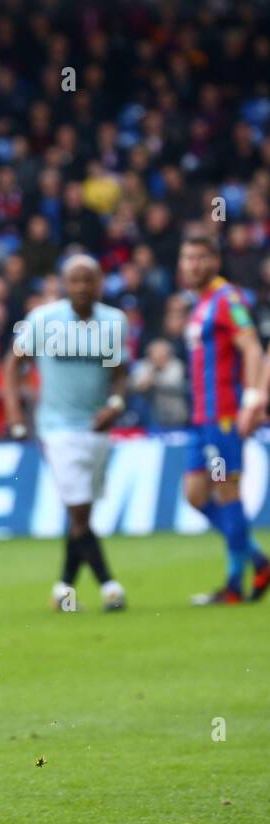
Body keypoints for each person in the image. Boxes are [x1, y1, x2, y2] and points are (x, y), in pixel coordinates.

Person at [3, 255, 129, 611]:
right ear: (63, 283)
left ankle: (64, 592)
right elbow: (12, 366)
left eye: (89, 280)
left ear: (100, 283)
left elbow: (120, 372)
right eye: (75, 280)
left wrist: (116, 404)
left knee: (81, 517)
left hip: (98, 429)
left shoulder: (114, 321)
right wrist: (15, 414)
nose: (82, 287)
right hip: (57, 429)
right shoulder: (43, 320)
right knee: (78, 511)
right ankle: (110, 587)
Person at [176, 236, 269, 605]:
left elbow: (252, 348)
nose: (193, 264)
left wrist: (251, 401)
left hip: (224, 415)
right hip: (202, 419)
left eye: (200, 257)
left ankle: (233, 585)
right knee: (195, 495)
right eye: (187, 258)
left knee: (226, 490)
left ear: (214, 261)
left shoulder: (228, 299)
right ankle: (258, 560)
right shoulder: (201, 304)